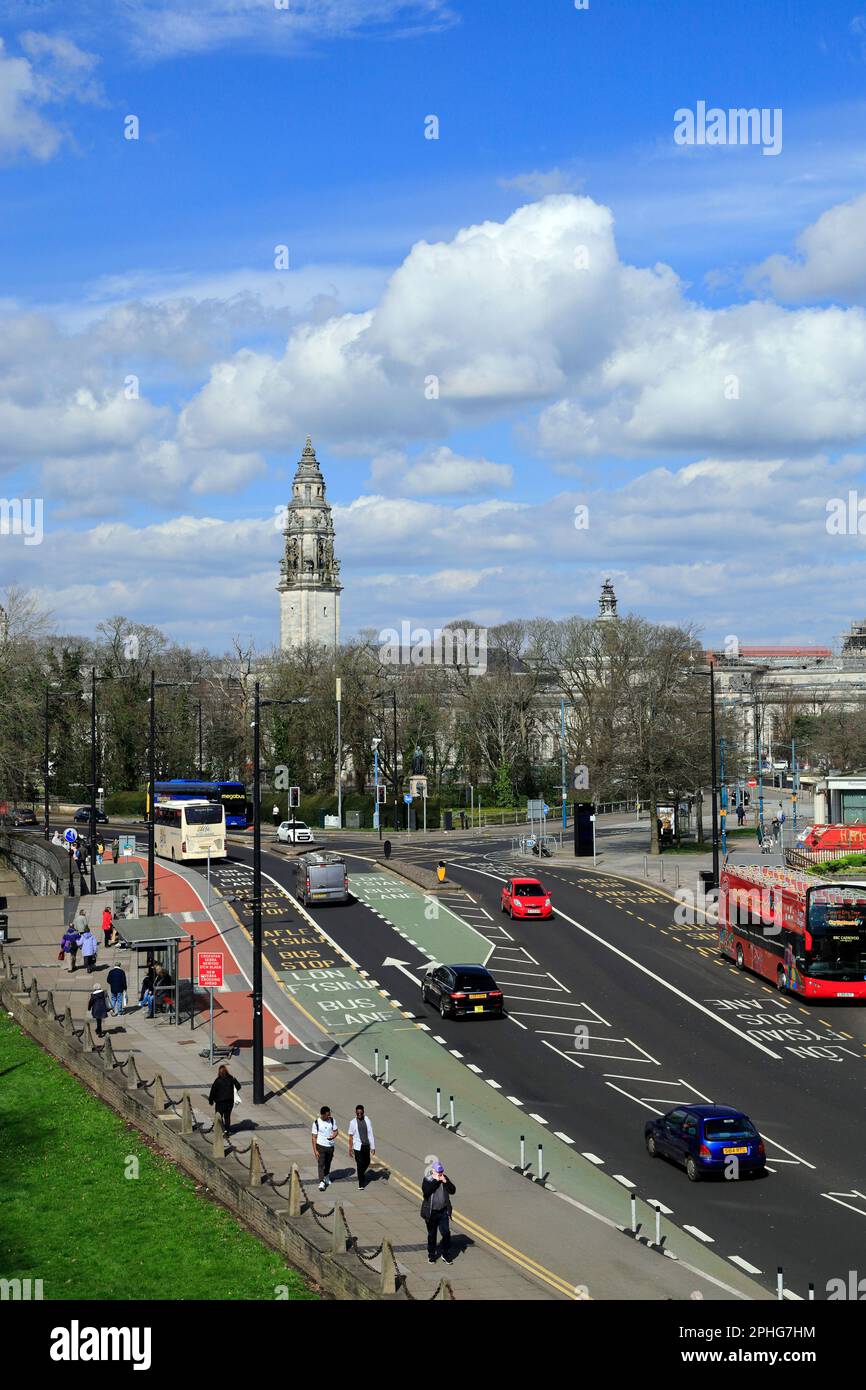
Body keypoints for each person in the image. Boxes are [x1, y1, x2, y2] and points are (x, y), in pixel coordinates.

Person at [421, 1155, 455, 1265]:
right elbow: (426, 1192)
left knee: (446, 1233)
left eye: (441, 1171)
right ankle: (431, 1255)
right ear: (433, 1171)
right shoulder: (427, 1180)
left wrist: (446, 1182)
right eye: (438, 1172)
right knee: (432, 1235)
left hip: (443, 1212)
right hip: (431, 1213)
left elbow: (453, 1190)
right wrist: (436, 1181)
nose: (440, 1174)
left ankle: (445, 1254)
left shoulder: (444, 1178)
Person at [347, 1104, 376, 1190]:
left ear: (363, 1112)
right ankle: (361, 1183)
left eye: (361, 1113)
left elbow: (370, 1134)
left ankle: (361, 1174)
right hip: (357, 1147)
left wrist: (373, 1147)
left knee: (367, 1162)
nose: (359, 1115)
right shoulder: (352, 1122)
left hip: (366, 1145)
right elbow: (350, 1136)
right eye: (358, 1113)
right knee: (359, 1164)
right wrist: (350, 1148)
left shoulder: (367, 1120)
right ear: (355, 1112)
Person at [208, 1064, 241, 1137]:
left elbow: (212, 1092)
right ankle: (227, 1131)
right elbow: (238, 1086)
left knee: (219, 1116)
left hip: (220, 1102)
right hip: (229, 1101)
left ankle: (222, 1130)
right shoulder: (231, 1078)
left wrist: (211, 1100)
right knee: (227, 1116)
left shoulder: (217, 1081)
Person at [311, 1105, 338, 1190]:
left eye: (329, 1114)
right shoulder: (316, 1123)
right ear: (322, 1115)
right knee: (321, 1164)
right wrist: (315, 1150)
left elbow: (336, 1131)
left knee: (328, 1163)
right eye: (327, 1115)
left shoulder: (332, 1120)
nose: (329, 1116)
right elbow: (313, 1137)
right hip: (320, 1146)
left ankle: (326, 1176)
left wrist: (333, 1136)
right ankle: (321, 1182)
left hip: (330, 1146)